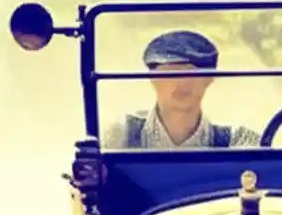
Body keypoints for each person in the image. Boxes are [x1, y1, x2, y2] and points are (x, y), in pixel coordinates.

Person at [107, 29, 261, 148]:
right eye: (172, 73)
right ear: (153, 78)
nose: (183, 83)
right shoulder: (122, 134)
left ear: (210, 78)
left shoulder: (236, 140)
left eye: (192, 73)